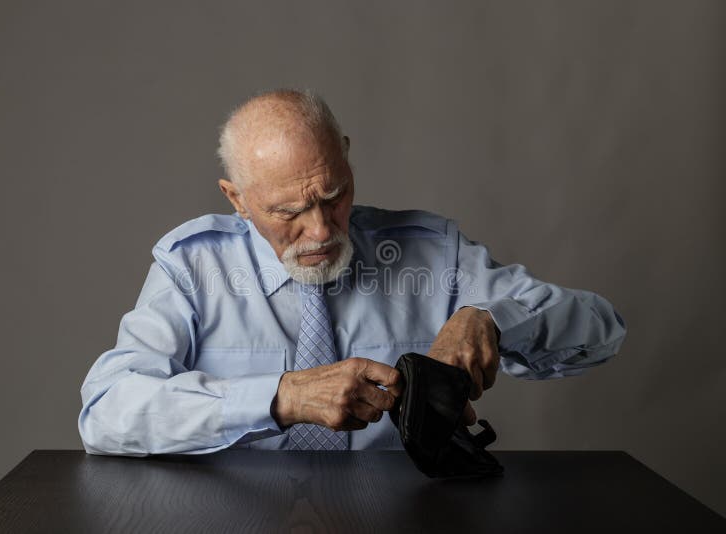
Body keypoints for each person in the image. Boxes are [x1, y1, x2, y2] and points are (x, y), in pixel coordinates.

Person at [78, 89, 627, 455]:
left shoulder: (432, 253)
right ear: (238, 200)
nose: (320, 231)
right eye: (288, 212)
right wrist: (281, 397)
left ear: (346, 156)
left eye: (335, 196)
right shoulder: (192, 266)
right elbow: (107, 412)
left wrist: (492, 317)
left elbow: (601, 331)